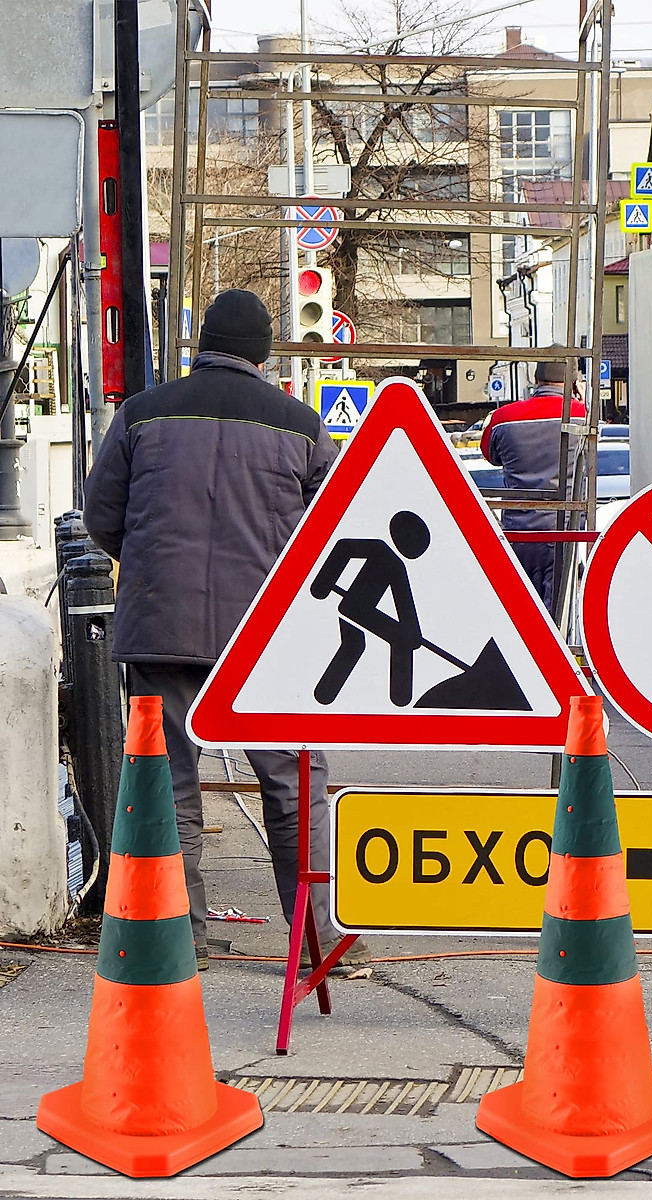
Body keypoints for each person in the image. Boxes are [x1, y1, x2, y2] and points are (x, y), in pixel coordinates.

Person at [83, 288, 370, 971]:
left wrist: (152, 559)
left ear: (202, 344)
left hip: (161, 624)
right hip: (265, 638)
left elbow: (102, 515)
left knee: (170, 781)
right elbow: (329, 533)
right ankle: (319, 941)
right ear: (263, 353)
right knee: (294, 781)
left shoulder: (142, 414)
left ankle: (184, 936)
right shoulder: (300, 425)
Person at [480, 355, 586, 607]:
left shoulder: (503, 418)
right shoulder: (582, 416)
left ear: (536, 379)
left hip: (516, 532)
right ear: (574, 383)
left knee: (518, 614)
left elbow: (490, 455)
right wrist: (579, 399)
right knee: (556, 618)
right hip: (561, 532)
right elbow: (588, 457)